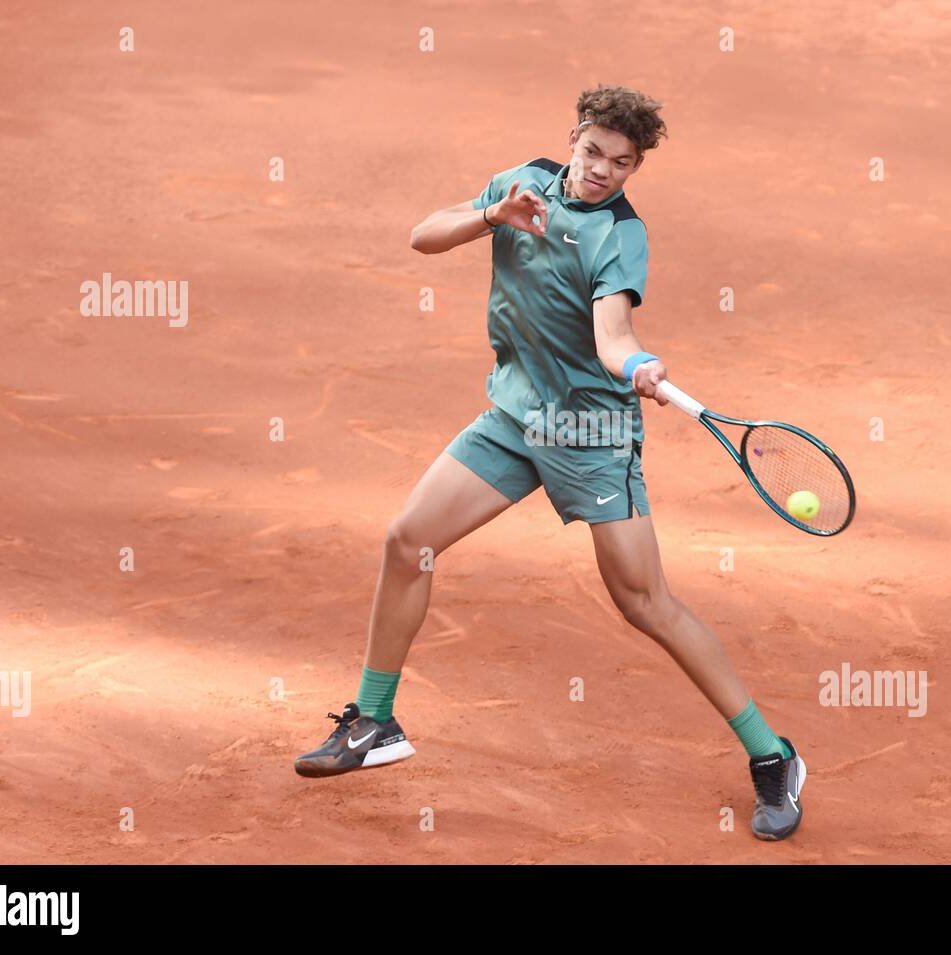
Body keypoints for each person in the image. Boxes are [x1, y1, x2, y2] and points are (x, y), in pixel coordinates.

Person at [295, 84, 807, 841]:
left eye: (621, 165)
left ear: (635, 170)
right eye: (593, 152)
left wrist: (638, 364)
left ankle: (772, 755)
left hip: (591, 433)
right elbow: (422, 235)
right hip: (512, 414)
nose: (601, 171)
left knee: (645, 603)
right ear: (573, 137)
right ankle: (374, 721)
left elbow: (613, 335)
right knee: (409, 541)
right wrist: (489, 215)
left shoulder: (620, 238)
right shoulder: (518, 181)